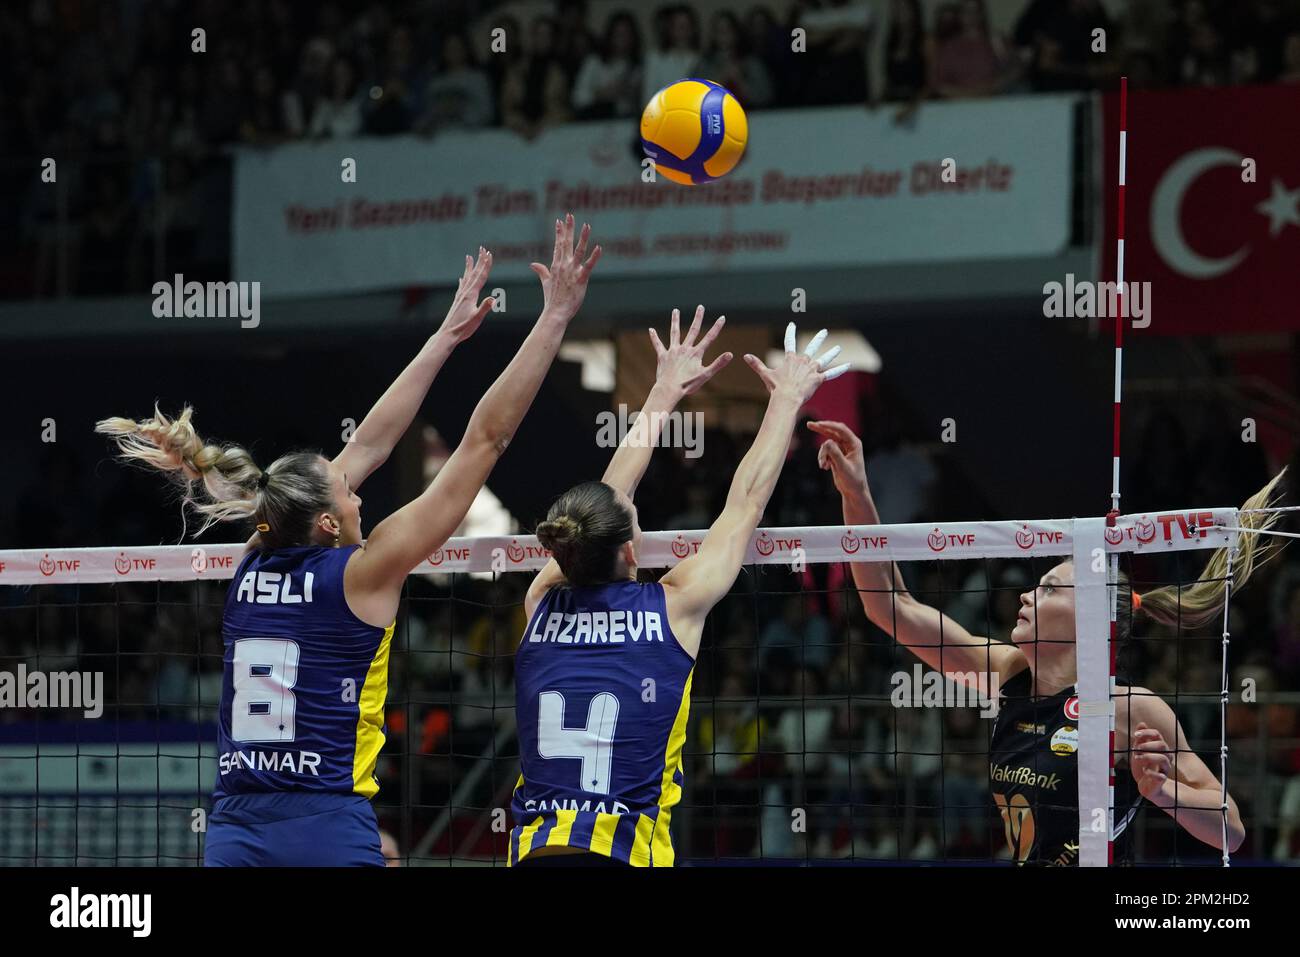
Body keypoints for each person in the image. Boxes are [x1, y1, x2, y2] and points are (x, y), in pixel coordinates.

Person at [96, 216, 601, 866]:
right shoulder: (364, 574)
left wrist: (444, 338)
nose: (359, 489)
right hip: (324, 824)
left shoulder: (252, 562)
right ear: (329, 522)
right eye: (348, 491)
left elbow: (367, 443)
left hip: (234, 828)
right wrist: (554, 318)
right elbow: (484, 440)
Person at [808, 418, 1287, 864]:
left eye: (1050, 588)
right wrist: (857, 491)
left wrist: (1163, 794)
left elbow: (1232, 830)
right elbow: (891, 606)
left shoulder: (1128, 708)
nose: (1025, 594)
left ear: (1093, 616)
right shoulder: (1007, 672)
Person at [509, 318, 849, 866]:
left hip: (537, 853)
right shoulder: (672, 607)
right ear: (629, 552)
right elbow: (746, 502)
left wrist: (662, 392)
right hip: (621, 855)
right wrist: (786, 400)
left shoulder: (541, 602)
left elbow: (606, 501)